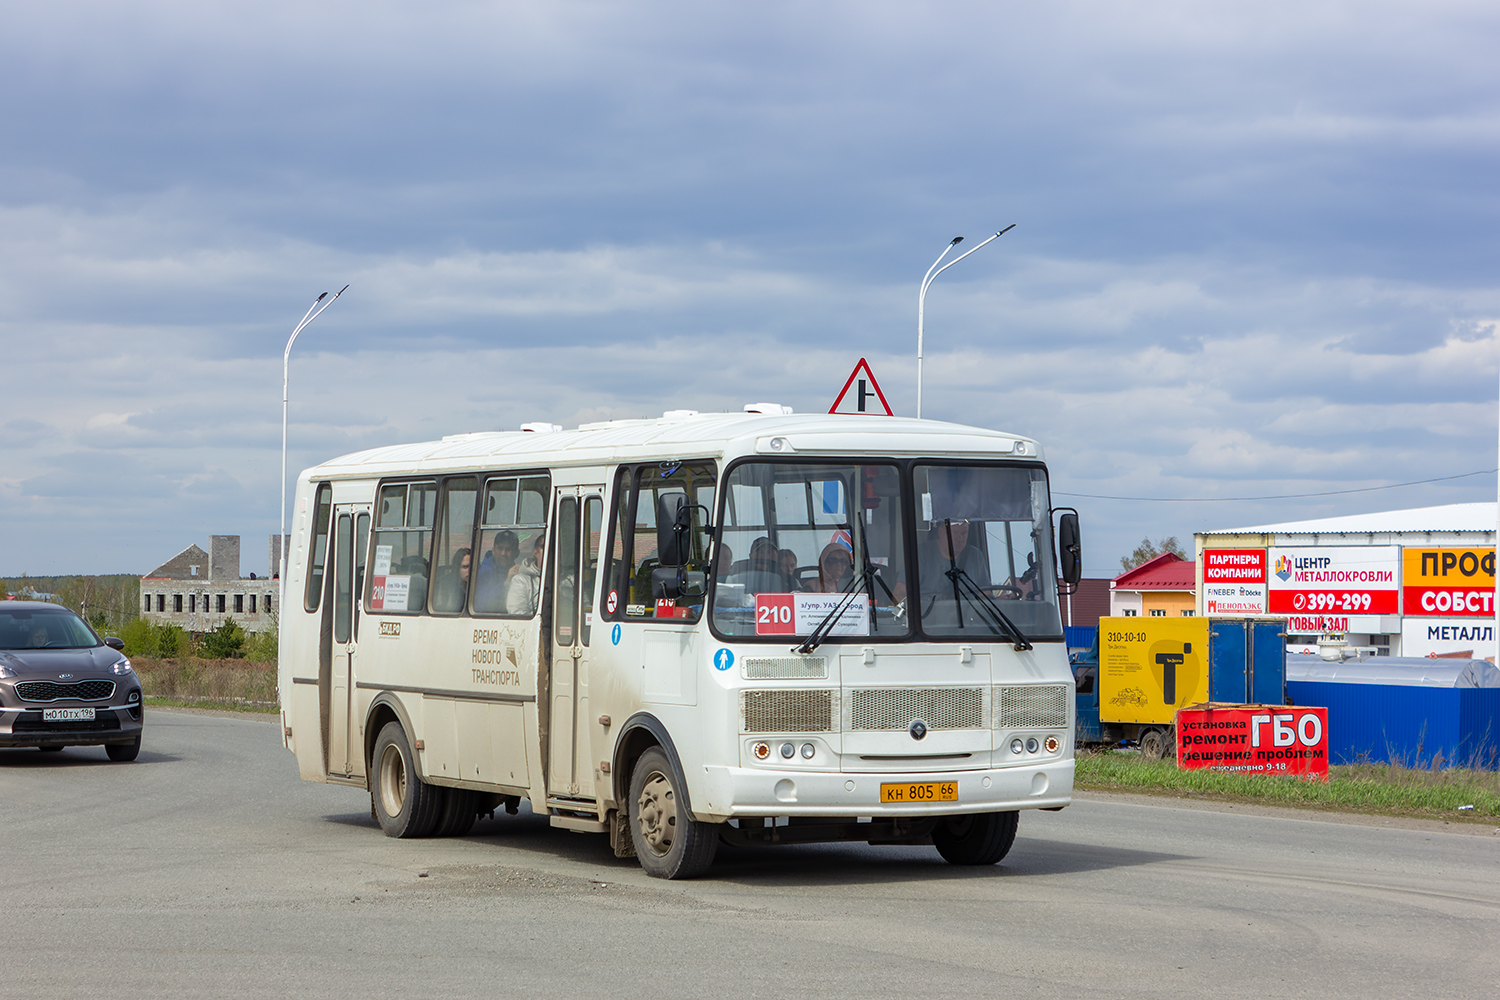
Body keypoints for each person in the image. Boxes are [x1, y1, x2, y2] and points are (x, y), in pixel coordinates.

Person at [474, 530, 519, 613]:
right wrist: (506, 583)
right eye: (500, 548)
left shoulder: (518, 572)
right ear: (493, 551)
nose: (503, 553)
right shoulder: (484, 571)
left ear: (517, 553)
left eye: (508, 549)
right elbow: (481, 605)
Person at [506, 534, 546, 616]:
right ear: (535, 552)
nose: (551, 552)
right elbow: (517, 616)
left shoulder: (568, 579)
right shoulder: (521, 581)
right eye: (545, 548)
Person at [433, 547, 471, 613]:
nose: (469, 571)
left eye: (472, 567)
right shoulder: (445, 584)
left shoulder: (479, 583)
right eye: (465, 567)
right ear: (457, 567)